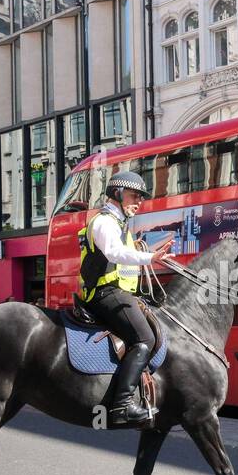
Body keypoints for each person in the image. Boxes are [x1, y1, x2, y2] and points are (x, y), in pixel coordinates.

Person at [77, 169, 174, 428]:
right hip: (105, 293)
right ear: (117, 194)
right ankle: (122, 406)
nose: (139, 202)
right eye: (134, 196)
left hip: (119, 293)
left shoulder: (121, 226)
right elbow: (114, 253)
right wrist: (150, 258)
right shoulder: (105, 222)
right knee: (145, 338)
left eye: (141, 198)